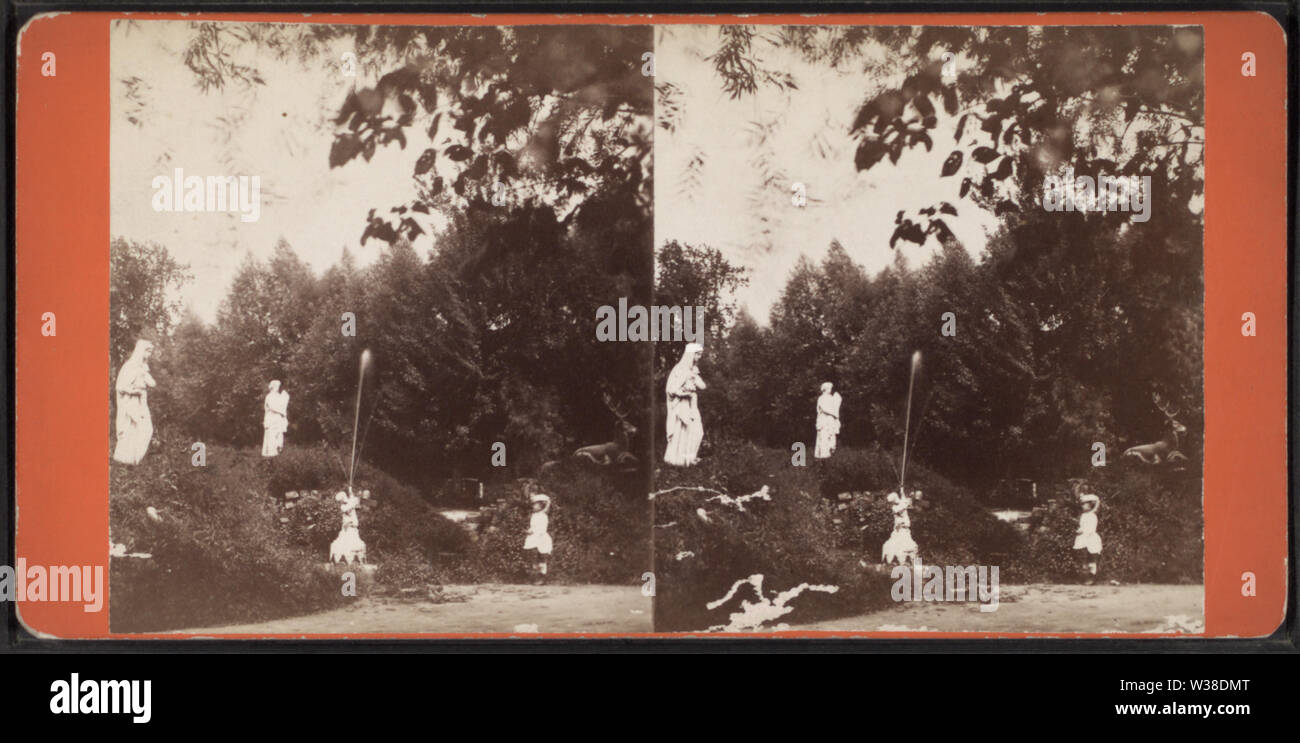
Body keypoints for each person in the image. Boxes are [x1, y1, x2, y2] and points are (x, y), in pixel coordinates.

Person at [113, 339, 157, 465]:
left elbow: (152, 383)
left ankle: (135, 459)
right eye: (148, 351)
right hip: (130, 402)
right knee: (130, 428)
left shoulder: (142, 367)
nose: (149, 354)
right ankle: (125, 461)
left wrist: (144, 374)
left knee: (146, 429)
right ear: (141, 351)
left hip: (141, 402)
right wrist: (135, 391)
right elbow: (120, 386)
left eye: (150, 352)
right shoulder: (130, 366)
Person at [664, 342, 706, 466]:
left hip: (692, 404)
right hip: (681, 405)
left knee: (697, 431)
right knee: (683, 431)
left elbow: (703, 386)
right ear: (690, 354)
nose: (699, 357)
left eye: (700, 355)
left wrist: (694, 377)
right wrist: (685, 393)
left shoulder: (692, 370)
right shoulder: (680, 369)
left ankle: (688, 459)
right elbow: (671, 389)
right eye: (697, 354)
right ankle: (679, 461)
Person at [881, 491, 920, 566]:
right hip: (898, 529)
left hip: (904, 528)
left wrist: (903, 493)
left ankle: (906, 560)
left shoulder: (901, 503)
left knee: (906, 543)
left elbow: (905, 501)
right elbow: (901, 509)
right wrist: (905, 504)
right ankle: (895, 560)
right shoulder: (895, 507)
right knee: (895, 544)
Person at [329, 489, 367, 564]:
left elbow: (355, 502)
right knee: (344, 539)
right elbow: (348, 509)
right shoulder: (343, 507)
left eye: (342, 499)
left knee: (353, 539)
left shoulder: (350, 502)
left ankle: (353, 560)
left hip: (352, 524)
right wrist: (352, 501)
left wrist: (351, 493)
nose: (342, 501)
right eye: (341, 500)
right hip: (346, 525)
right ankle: (343, 559)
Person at [524, 493, 553, 585]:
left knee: (542, 557)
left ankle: (542, 577)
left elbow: (542, 528)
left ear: (541, 506)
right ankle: (534, 576)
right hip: (534, 537)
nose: (533, 506)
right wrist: (529, 530)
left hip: (541, 538)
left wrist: (533, 532)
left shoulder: (543, 514)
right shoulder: (534, 515)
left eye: (536, 504)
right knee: (533, 556)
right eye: (533, 504)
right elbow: (534, 526)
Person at [1074, 493, 1103, 584]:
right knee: (1083, 557)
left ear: (1091, 505)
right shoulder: (1083, 515)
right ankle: (1084, 577)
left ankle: (1092, 577)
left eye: (1085, 504)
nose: (1083, 506)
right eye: (1082, 504)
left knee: (1092, 557)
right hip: (1083, 538)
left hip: (1090, 538)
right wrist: (1079, 530)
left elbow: (1091, 528)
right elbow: (1082, 526)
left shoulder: (1092, 515)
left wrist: (1083, 531)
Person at [261, 380, 290, 457]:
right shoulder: (269, 396)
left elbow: (283, 405)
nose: (278, 387)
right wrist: (282, 411)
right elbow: (273, 407)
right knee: (271, 438)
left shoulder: (278, 396)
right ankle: (271, 457)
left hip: (278, 419)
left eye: (279, 386)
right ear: (273, 387)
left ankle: (278, 455)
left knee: (279, 437)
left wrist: (285, 397)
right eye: (277, 386)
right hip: (272, 419)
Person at [814, 382, 841, 459]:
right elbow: (824, 409)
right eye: (829, 388)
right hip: (824, 421)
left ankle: (830, 457)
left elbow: (836, 407)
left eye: (830, 388)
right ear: (825, 389)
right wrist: (834, 414)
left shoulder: (831, 398)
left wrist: (837, 400)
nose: (830, 390)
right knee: (824, 438)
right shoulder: (821, 398)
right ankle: (823, 458)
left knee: (832, 439)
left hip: (830, 421)